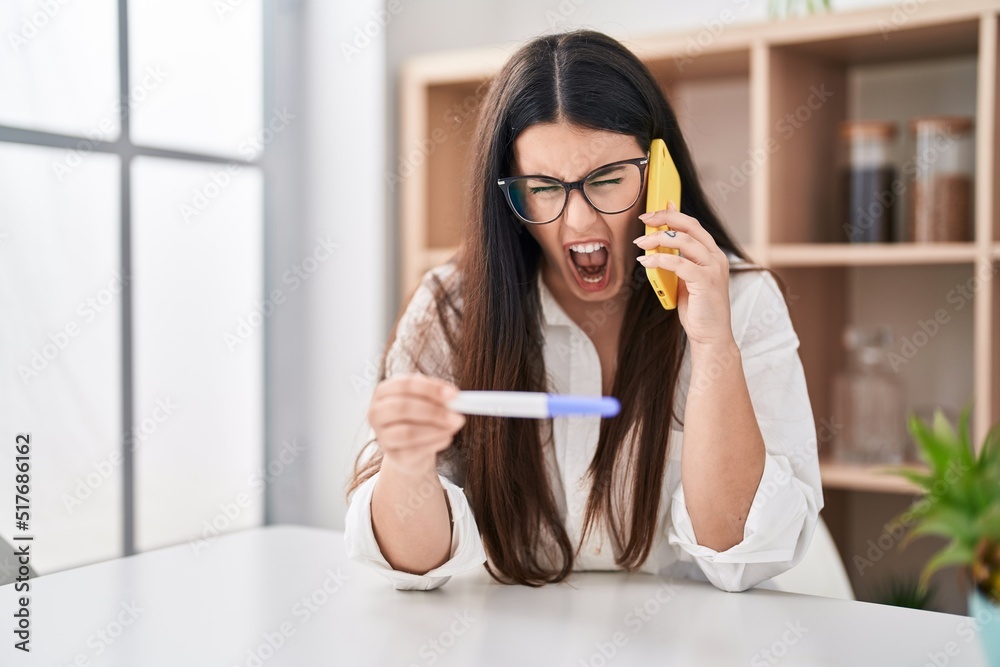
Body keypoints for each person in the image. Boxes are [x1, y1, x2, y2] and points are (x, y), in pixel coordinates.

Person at [344, 29, 823, 592]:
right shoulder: (453, 305)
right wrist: (407, 463)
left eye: (609, 179)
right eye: (543, 188)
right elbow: (415, 567)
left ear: (660, 173)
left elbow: (739, 556)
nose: (578, 224)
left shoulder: (742, 302)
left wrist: (714, 345)